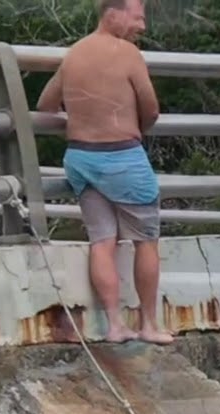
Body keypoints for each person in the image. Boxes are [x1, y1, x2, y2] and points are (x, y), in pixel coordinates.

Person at [35, 0, 172, 344]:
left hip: (80, 158)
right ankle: (149, 325)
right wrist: (136, 126)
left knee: (102, 241)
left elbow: (45, 105)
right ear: (113, 12)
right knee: (146, 241)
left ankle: (114, 325)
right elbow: (152, 107)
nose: (141, 27)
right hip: (122, 157)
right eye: (137, 18)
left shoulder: (74, 54)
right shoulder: (127, 54)